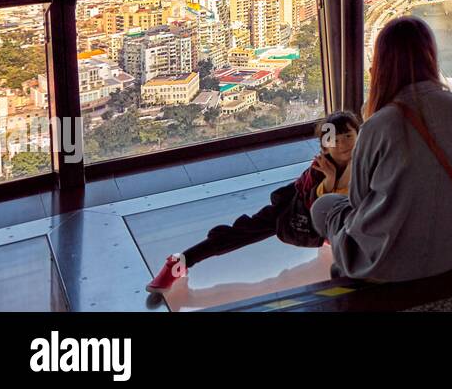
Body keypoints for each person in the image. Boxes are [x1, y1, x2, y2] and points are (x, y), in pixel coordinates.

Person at [310, 16, 452, 282]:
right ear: (430, 56)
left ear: (381, 65)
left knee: (323, 206)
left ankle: (349, 269)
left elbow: (358, 201)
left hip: (388, 265)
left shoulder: (378, 125)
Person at [145, 110, 360, 293]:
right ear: (324, 147)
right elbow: (320, 209)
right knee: (240, 232)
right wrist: (330, 181)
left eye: (348, 136)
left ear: (360, 135)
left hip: (329, 225)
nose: (343, 145)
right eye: (335, 140)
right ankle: (180, 261)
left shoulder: (364, 161)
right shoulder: (320, 170)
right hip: (293, 214)